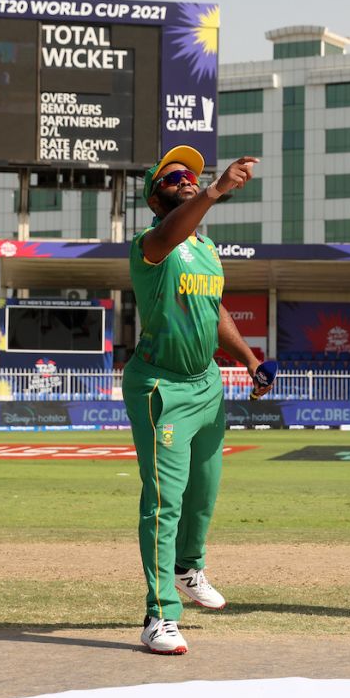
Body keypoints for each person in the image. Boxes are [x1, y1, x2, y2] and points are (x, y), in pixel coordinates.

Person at [123, 145, 271, 654]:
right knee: (164, 502)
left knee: (203, 494)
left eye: (192, 174)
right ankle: (158, 615)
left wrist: (249, 360)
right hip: (160, 385)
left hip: (206, 384)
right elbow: (169, 233)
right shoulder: (152, 241)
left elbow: (215, 309)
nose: (186, 178)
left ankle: (188, 569)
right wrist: (215, 189)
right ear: (155, 198)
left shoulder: (205, 248)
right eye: (173, 178)